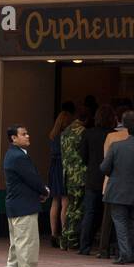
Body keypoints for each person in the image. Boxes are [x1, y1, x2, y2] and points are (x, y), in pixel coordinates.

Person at [100, 114, 134, 264]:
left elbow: (104, 168)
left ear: (128, 131)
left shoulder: (116, 147)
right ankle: (131, 253)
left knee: (120, 223)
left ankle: (125, 254)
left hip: (117, 192)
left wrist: (114, 174)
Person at [3, 125, 51, 267]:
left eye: (27, 133)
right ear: (14, 138)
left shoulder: (11, 154)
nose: (28, 136)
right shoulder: (19, 157)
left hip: (15, 205)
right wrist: (44, 191)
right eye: (23, 134)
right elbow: (33, 179)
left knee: (16, 245)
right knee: (27, 244)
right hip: (24, 206)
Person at [78, 104, 115, 256]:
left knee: (90, 213)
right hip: (109, 178)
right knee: (108, 216)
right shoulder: (114, 134)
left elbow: (83, 156)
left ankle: (84, 246)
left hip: (92, 177)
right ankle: (106, 246)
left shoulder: (88, 133)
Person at [98, 110, 134, 258]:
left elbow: (106, 159)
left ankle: (104, 249)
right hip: (133, 184)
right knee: (130, 220)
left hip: (112, 182)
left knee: (107, 219)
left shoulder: (111, 137)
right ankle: (124, 249)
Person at [47, 103, 75, 248]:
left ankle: (53, 233)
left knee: (55, 201)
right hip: (63, 168)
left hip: (53, 168)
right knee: (65, 201)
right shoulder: (67, 136)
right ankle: (64, 233)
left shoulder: (53, 135)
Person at [59, 110, 88, 251]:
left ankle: (64, 237)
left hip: (68, 175)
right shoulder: (83, 132)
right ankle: (72, 238)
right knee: (78, 208)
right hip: (80, 175)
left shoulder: (65, 132)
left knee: (70, 206)